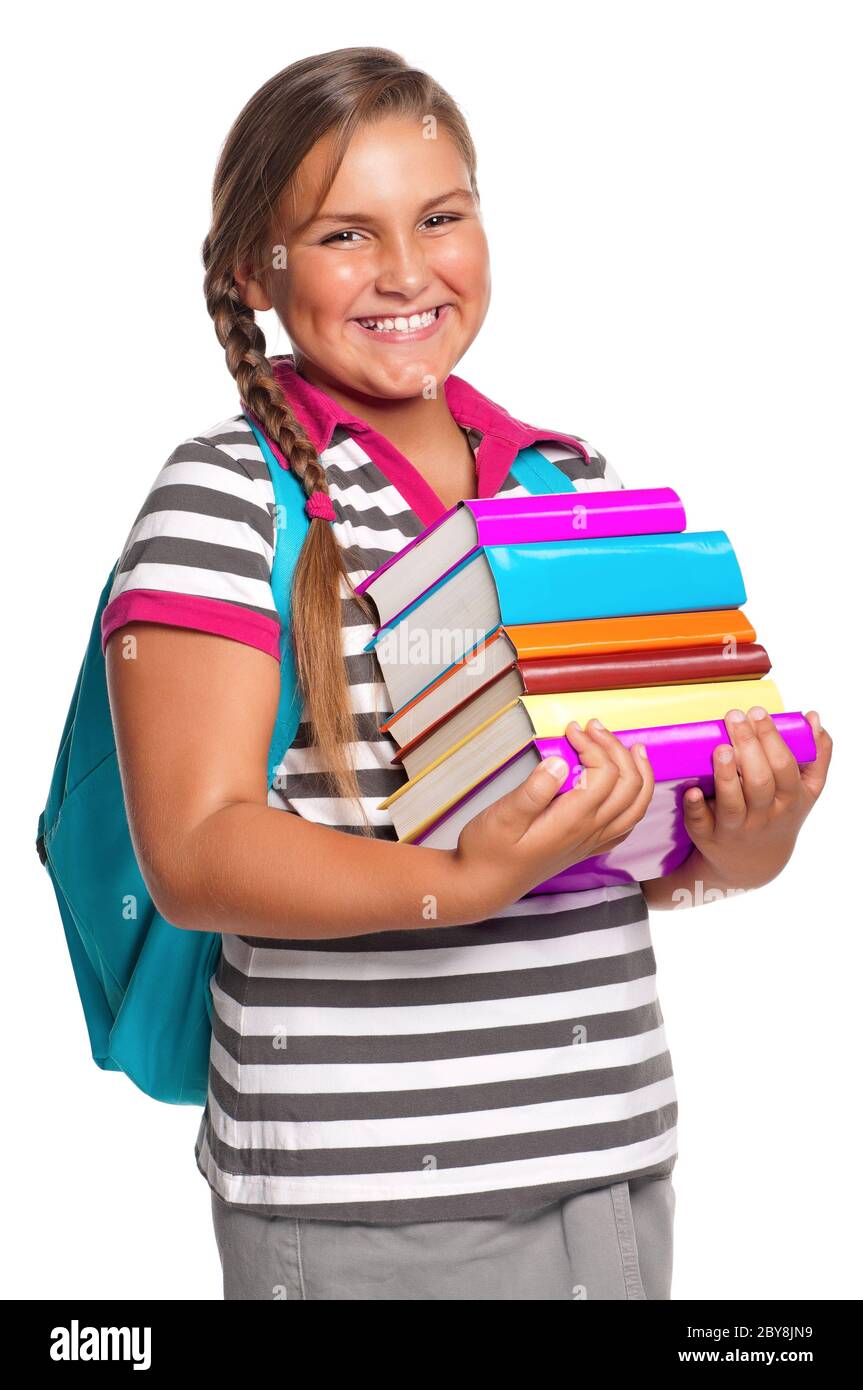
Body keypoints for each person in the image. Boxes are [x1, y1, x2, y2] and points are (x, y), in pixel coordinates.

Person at [103, 47, 832, 1301]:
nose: (404, 270)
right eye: (343, 233)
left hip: (610, 1163)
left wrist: (739, 840)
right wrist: (461, 882)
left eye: (440, 217)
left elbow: (603, 842)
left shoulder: (566, 484)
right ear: (253, 273)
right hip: (365, 1199)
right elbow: (195, 852)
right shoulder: (227, 498)